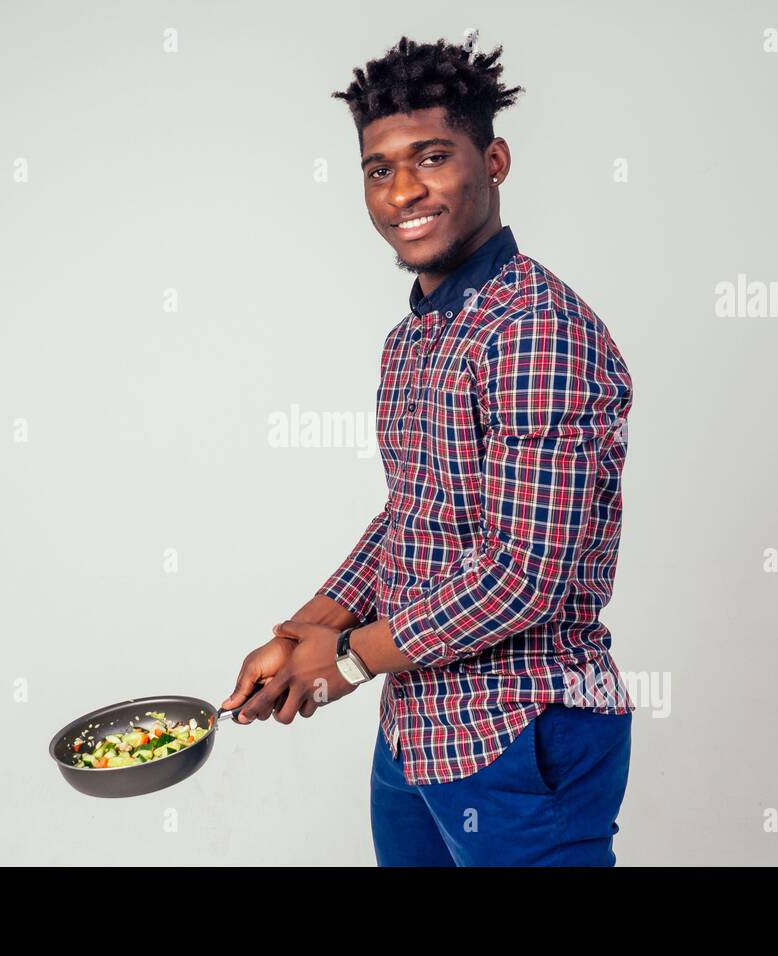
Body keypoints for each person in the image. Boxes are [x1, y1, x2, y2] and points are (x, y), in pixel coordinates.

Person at [222, 35, 636, 866]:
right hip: (419, 729)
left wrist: (339, 661)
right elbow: (417, 512)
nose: (403, 190)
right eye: (380, 169)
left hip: (521, 731)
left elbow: (523, 574)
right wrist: (308, 627)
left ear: (495, 159)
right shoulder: (414, 338)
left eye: (432, 157)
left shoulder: (535, 333)